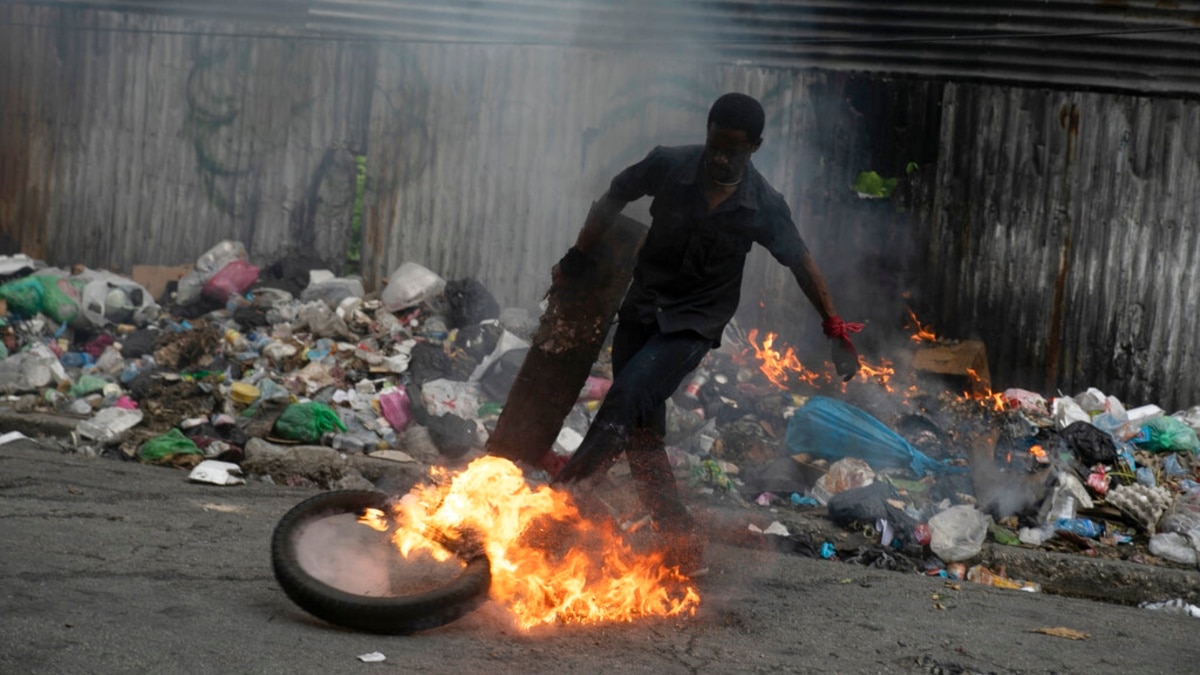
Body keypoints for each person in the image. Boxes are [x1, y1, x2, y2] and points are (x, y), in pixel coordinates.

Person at [551, 92, 862, 570]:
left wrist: (835, 330)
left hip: (693, 324)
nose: (719, 158)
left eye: (732, 151)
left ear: (754, 147)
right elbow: (615, 192)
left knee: (627, 395)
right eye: (714, 146)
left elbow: (802, 264)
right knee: (642, 438)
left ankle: (562, 500)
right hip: (643, 310)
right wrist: (578, 256)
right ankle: (682, 543)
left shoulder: (764, 206)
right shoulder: (668, 165)